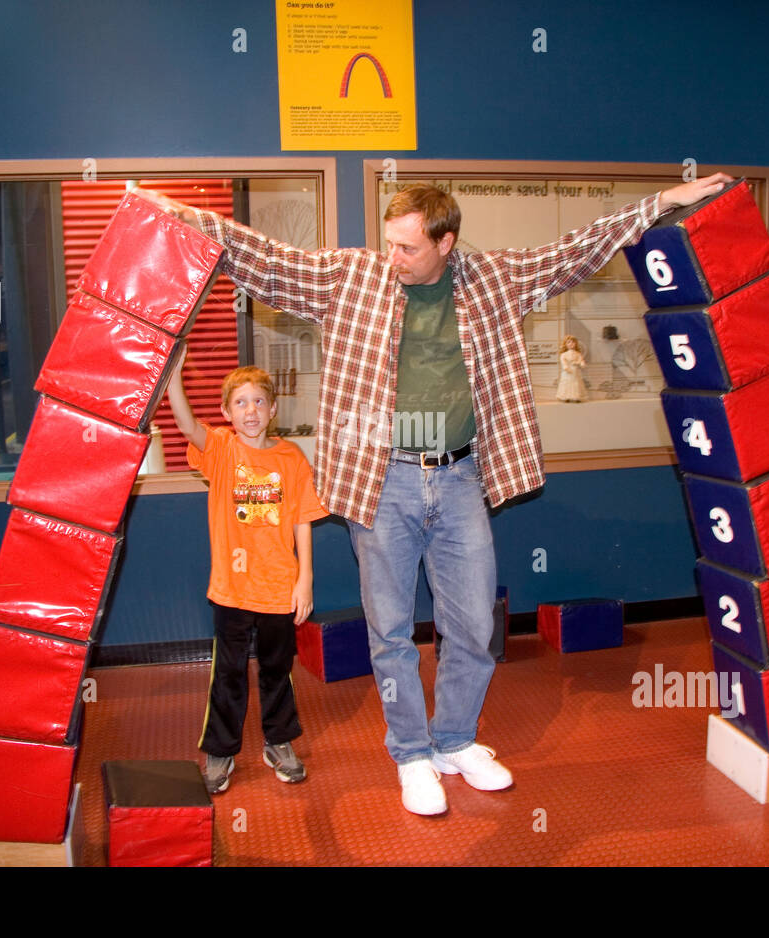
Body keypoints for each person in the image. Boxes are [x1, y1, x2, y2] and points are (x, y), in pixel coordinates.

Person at [137, 171, 731, 815]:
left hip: (460, 477)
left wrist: (660, 203)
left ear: (446, 243)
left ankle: (454, 740)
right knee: (390, 630)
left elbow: (571, 254)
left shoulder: (493, 279)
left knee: (472, 623)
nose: (392, 256)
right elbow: (269, 262)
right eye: (389, 242)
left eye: (408, 247)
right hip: (382, 480)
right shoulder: (353, 278)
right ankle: (411, 753)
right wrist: (188, 216)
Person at [166, 350, 327, 794]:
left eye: (258, 402)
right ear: (226, 412)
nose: (250, 410)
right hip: (232, 590)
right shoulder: (221, 449)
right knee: (229, 673)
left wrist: (305, 580)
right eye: (240, 403)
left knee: (278, 670)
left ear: (272, 409)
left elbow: (303, 520)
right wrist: (175, 373)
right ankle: (221, 749)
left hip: (279, 588)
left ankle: (278, 741)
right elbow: (185, 425)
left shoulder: (292, 458)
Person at [556, 334, 589, 402]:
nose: (571, 344)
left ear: (575, 344)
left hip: (575, 371)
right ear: (565, 344)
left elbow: (581, 360)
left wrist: (582, 363)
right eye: (569, 342)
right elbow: (563, 361)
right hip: (567, 371)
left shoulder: (578, 354)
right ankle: (566, 397)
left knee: (576, 383)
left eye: (573, 342)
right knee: (567, 383)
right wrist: (565, 367)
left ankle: (576, 397)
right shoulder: (564, 354)